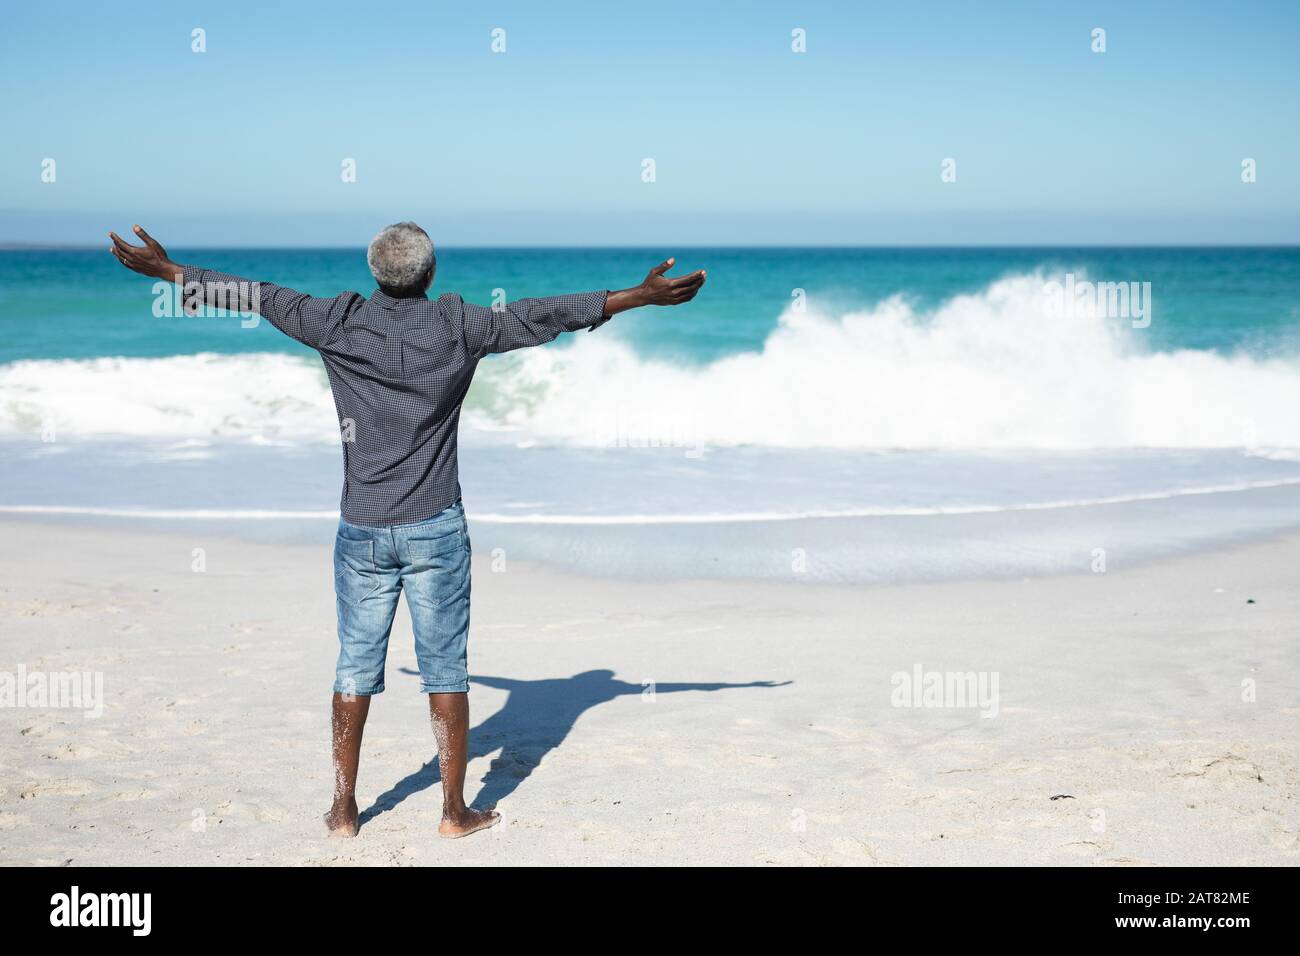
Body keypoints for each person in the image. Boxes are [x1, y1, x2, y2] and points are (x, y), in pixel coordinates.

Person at [109, 222, 706, 838]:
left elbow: (257, 295)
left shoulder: (333, 321)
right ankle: (453, 812)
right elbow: (540, 315)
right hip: (435, 527)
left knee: (353, 666)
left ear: (375, 274)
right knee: (446, 669)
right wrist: (636, 295)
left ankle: (344, 809)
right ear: (431, 273)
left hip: (362, 529)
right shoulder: (461, 327)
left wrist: (171, 272)